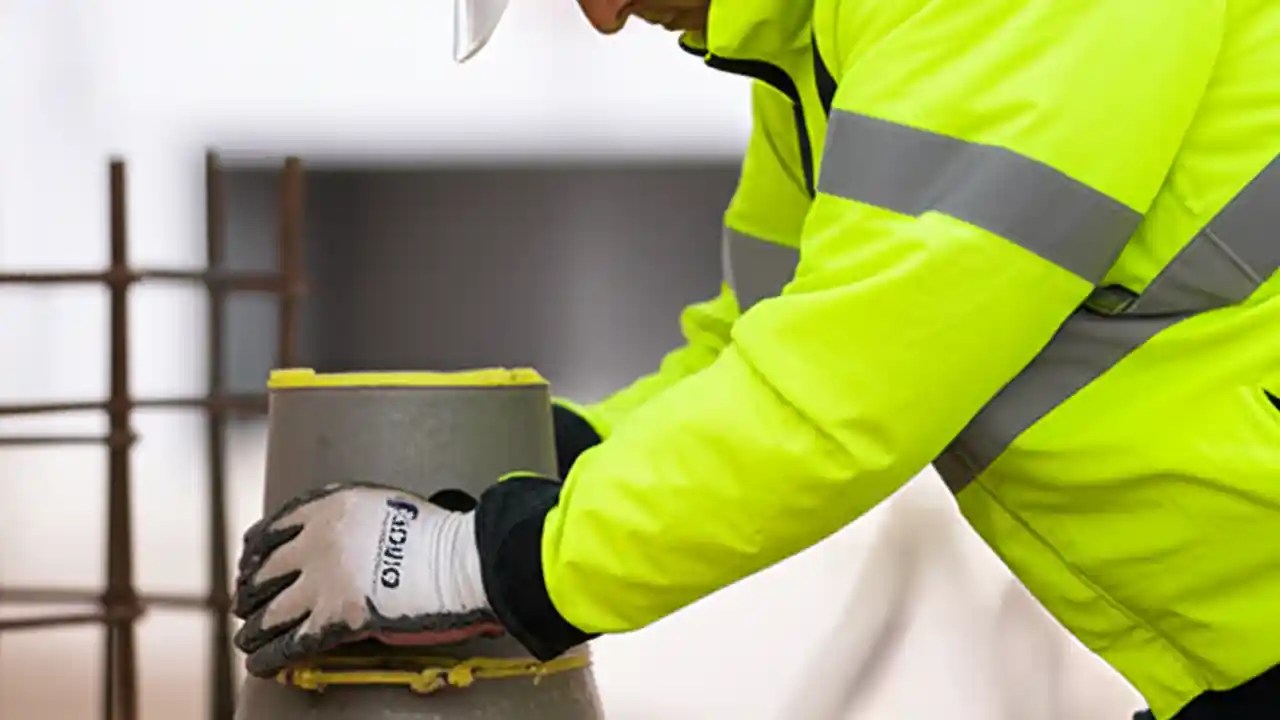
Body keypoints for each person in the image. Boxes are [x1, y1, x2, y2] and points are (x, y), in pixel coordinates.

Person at [230, 0, 1280, 718]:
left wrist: (479, 563)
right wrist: (538, 459)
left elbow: (847, 384)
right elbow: (761, 344)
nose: (600, 16)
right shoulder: (817, 46)